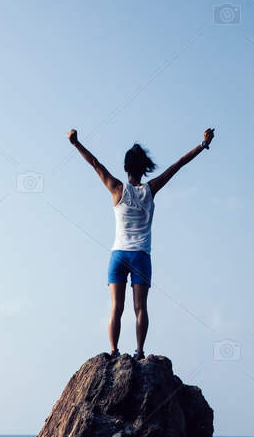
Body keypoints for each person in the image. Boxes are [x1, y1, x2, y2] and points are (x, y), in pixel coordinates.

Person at [68, 126, 215, 357]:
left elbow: (95, 163)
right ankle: (139, 351)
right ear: (143, 168)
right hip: (141, 257)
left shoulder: (117, 188)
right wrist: (202, 144)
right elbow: (178, 165)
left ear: (126, 167)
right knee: (140, 309)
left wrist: (75, 143)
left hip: (119, 255)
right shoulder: (150, 189)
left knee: (116, 308)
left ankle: (114, 351)